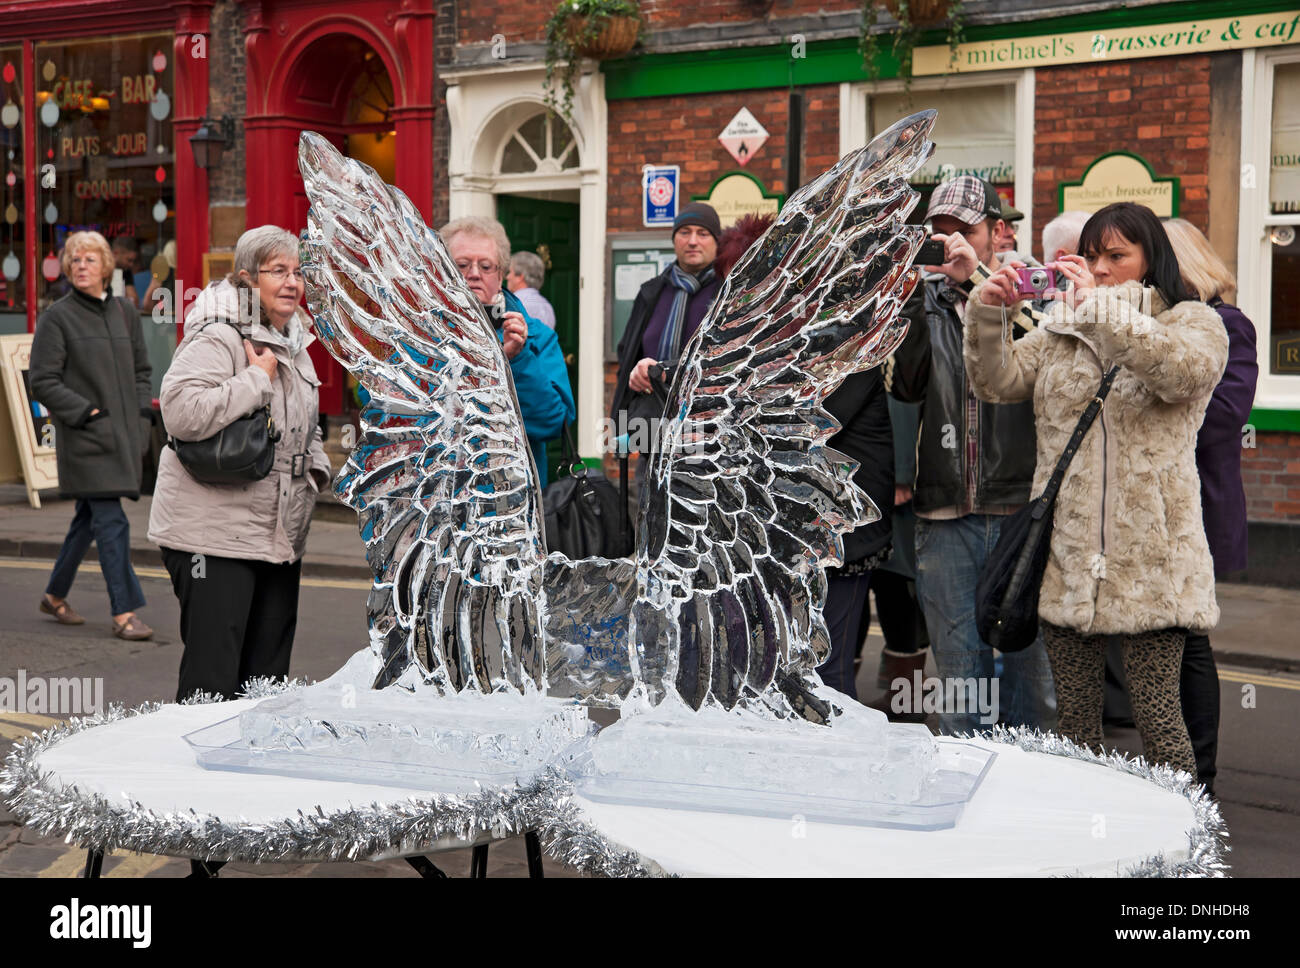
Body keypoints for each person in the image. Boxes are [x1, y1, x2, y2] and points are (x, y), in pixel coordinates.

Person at [967, 202, 1229, 773]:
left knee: (1161, 727)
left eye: (1116, 255)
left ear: (1149, 258)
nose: (1101, 267)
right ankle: (1084, 848)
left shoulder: (1192, 321)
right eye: (1091, 255)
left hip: (1151, 564)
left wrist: (1104, 312)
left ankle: (1182, 849)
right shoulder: (1063, 329)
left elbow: (1179, 373)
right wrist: (987, 314)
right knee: (1076, 729)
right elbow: (996, 381)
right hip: (1068, 556)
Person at [889, 175, 1056, 735]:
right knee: (963, 694)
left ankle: (1030, 810)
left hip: (1020, 510)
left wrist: (978, 284)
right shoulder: (924, 301)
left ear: (999, 232)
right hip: (943, 513)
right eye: (939, 232)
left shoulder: (1035, 290)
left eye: (964, 229)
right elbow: (903, 386)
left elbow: (1050, 360)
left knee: (1034, 694)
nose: (950, 241)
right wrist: (913, 299)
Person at [149, 225, 330, 707]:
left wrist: (316, 467)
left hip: (277, 536)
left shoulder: (293, 338)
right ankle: (189, 781)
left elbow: (302, 424)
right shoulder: (220, 334)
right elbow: (181, 412)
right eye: (278, 272)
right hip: (211, 536)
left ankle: (248, 777)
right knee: (212, 683)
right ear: (248, 279)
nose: (292, 282)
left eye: (298, 272)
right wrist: (256, 377)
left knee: (265, 685)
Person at [1163, 217, 1259, 795]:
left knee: (1190, 639)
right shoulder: (1149, 323)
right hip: (1149, 508)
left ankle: (1200, 778)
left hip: (1196, 505)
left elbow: (1226, 418)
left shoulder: (1230, 326)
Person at [29, 230, 154, 640]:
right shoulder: (57, 317)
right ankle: (125, 612)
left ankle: (54, 595)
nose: (81, 266)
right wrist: (87, 413)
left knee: (88, 520)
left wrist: (139, 417)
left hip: (122, 437)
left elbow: (141, 371)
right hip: (85, 438)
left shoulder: (124, 312)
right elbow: (43, 381)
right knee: (111, 520)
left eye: (89, 260)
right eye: (74, 260)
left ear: (106, 267)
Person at [440, 216, 574, 485]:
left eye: (486, 266)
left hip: (509, 503)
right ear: (441, 270)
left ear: (500, 276)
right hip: (437, 503)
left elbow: (552, 423)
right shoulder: (417, 333)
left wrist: (516, 359)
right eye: (462, 265)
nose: (474, 273)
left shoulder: (537, 338)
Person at [610, 202, 724, 514]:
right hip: (653, 432)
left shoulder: (727, 294)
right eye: (684, 232)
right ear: (674, 239)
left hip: (707, 436)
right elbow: (629, 353)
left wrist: (664, 371)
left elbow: (721, 358)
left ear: (717, 241)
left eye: (703, 233)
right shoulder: (652, 292)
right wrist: (636, 376)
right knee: (649, 521)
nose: (692, 240)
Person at [507, 251, 557, 331]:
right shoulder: (547, 306)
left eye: (510, 272)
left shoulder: (514, 304)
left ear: (520, 277)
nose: (507, 277)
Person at [110, 236, 140, 307]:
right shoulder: (100, 269)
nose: (131, 264)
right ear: (115, 253)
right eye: (129, 260)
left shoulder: (126, 271)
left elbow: (133, 301)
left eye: (133, 261)